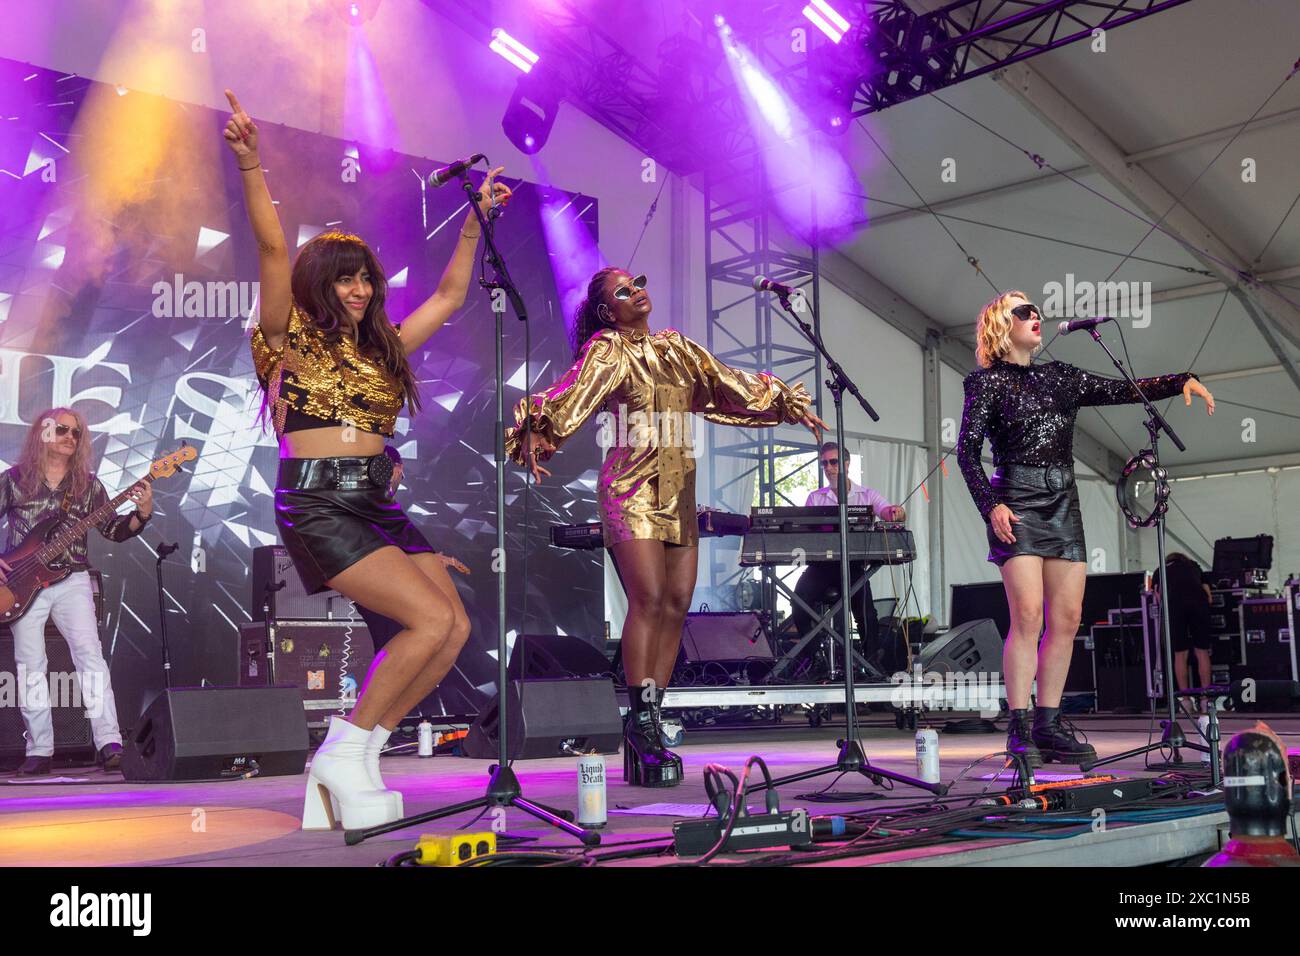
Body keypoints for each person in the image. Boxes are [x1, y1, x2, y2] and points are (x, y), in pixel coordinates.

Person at [224, 90, 510, 828]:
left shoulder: (384, 350)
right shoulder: (285, 338)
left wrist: (474, 225)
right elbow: (272, 250)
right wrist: (251, 161)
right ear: (319, 284)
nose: (359, 290)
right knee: (426, 619)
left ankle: (361, 752)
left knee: (452, 628)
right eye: (345, 278)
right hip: (318, 500)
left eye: (366, 279)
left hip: (376, 500)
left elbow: (450, 296)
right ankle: (342, 751)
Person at [506, 267, 827, 786]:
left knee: (677, 603)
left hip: (678, 492)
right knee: (650, 599)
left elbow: (728, 384)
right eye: (624, 291)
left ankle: (652, 718)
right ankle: (640, 722)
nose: (638, 292)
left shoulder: (677, 348)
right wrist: (536, 428)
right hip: (629, 488)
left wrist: (784, 403)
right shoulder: (608, 349)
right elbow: (572, 393)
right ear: (608, 311)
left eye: (638, 283)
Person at [957, 290, 1214, 766]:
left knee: (1068, 618)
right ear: (1000, 325)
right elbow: (966, 452)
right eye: (1023, 311)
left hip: (1063, 502)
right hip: (1016, 500)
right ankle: (1018, 729)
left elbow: (1124, 389)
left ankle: (1049, 724)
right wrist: (990, 506)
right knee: (1028, 616)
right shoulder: (986, 383)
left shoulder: (1062, 377)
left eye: (1036, 309)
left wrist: (1182, 379)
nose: (1035, 315)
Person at [0, 408, 152, 775]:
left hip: (72, 579)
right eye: (63, 430)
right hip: (21, 583)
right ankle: (39, 750)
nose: (70, 437)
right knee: (30, 664)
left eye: (77, 433)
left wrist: (142, 514)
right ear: (44, 432)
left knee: (90, 657)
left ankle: (110, 743)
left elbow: (113, 530)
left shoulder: (88, 485)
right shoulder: (13, 480)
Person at [788, 441, 905, 673]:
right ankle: (815, 658)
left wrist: (896, 512)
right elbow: (805, 534)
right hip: (821, 567)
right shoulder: (815, 498)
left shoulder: (867, 495)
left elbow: (887, 512)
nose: (829, 468)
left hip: (853, 567)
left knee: (867, 614)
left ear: (847, 464)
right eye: (824, 463)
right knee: (798, 603)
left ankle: (871, 664)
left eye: (833, 462)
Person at [1154, 551, 1214, 714]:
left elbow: (1159, 597)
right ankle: (1205, 700)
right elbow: (1208, 594)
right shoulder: (1194, 566)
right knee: (1202, 652)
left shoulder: (1161, 570)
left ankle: (1186, 701)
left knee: (1180, 654)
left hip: (1175, 606)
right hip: (1199, 605)